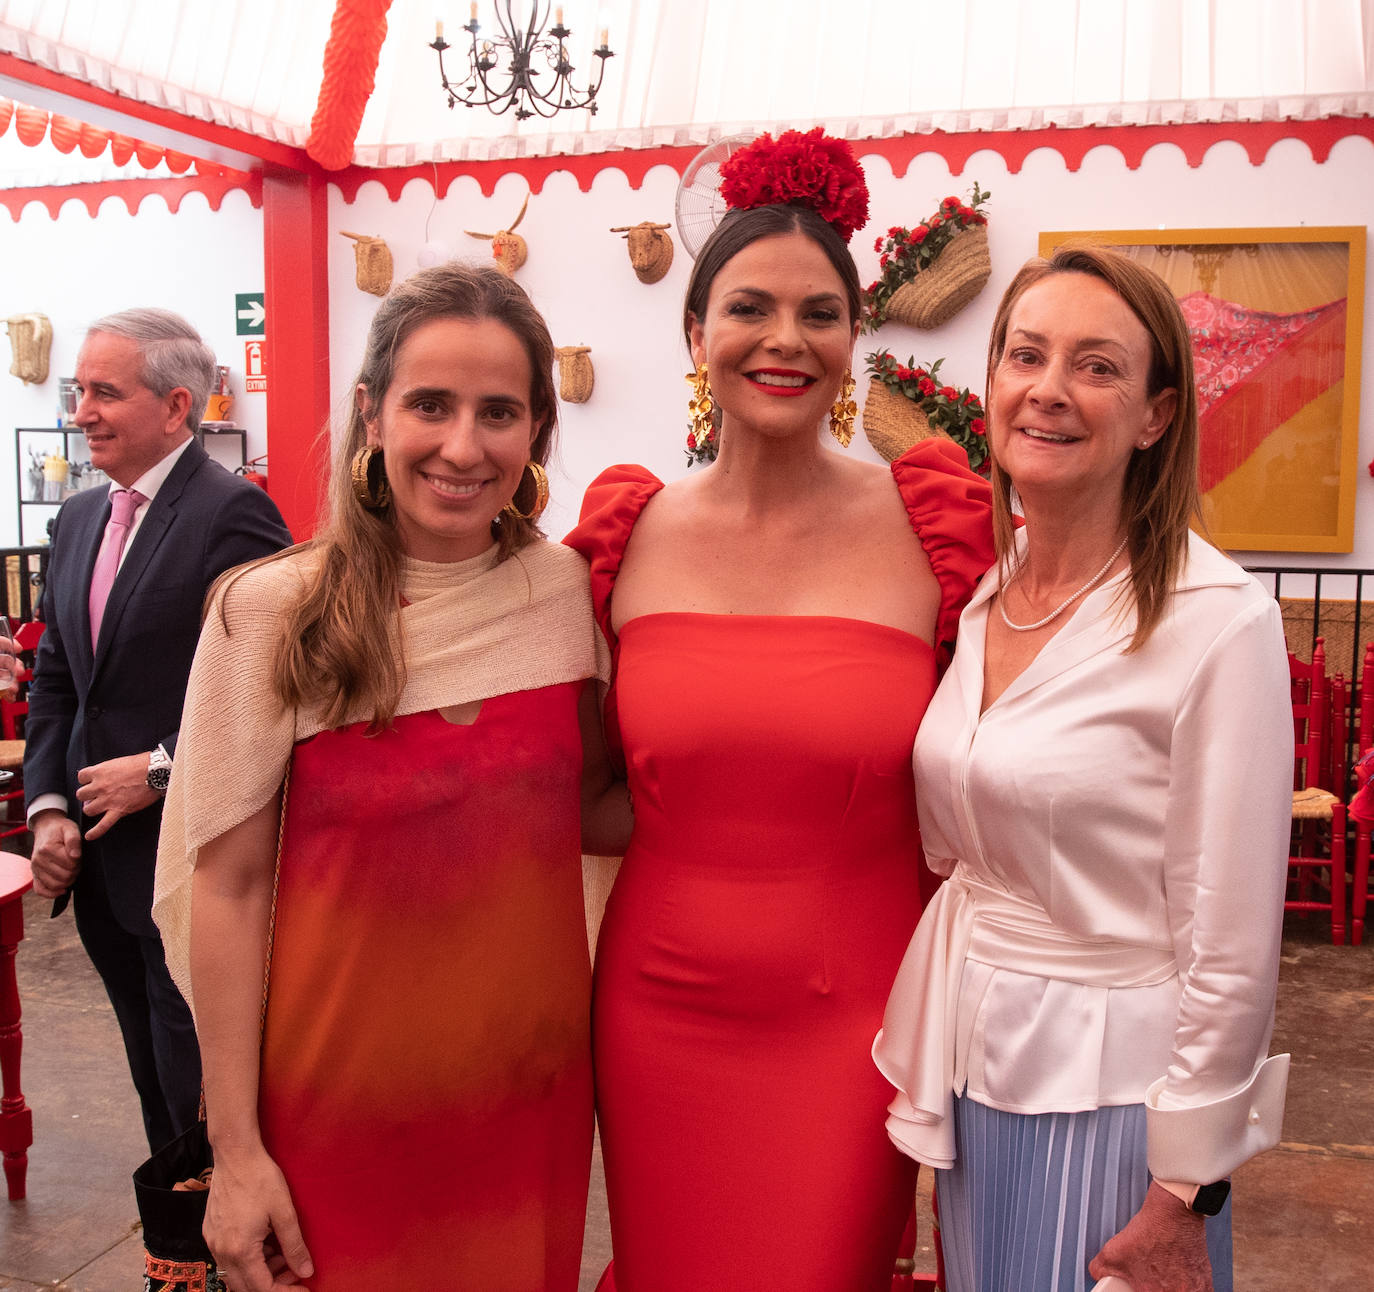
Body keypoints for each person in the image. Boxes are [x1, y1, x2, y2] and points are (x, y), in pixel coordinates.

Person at [565, 129, 995, 1291]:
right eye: (751, 306)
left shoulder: (934, 524)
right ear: (696, 332)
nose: (786, 339)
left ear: (855, 340)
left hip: (859, 1013)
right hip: (655, 1011)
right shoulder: (625, 532)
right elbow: (589, 793)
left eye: (822, 313)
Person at [153, 261, 624, 1292]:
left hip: (526, 1109)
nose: (464, 445)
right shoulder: (272, 612)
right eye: (431, 405)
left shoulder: (565, 597)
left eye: (499, 411)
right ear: (372, 412)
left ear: (539, 430)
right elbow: (225, 889)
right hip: (336, 1121)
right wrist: (235, 1151)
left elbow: (593, 808)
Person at [873, 245, 1293, 1292]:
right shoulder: (989, 593)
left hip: (1117, 1101)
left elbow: (1231, 946)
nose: (1049, 389)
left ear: (1156, 414)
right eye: (1027, 354)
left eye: (1097, 366)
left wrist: (1184, 1190)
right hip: (979, 1070)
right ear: (993, 383)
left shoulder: (1216, 620)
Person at [20, 308, 291, 1154]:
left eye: (106, 392)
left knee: (205, 1095)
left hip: (193, 871)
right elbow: (60, 682)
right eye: (78, 390)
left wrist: (164, 769)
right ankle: (179, 1256)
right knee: (153, 1090)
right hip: (100, 872)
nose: (82, 411)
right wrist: (50, 808)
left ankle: (226, 1260)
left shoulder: (234, 516)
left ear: (177, 407)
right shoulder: (76, 523)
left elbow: (278, 695)